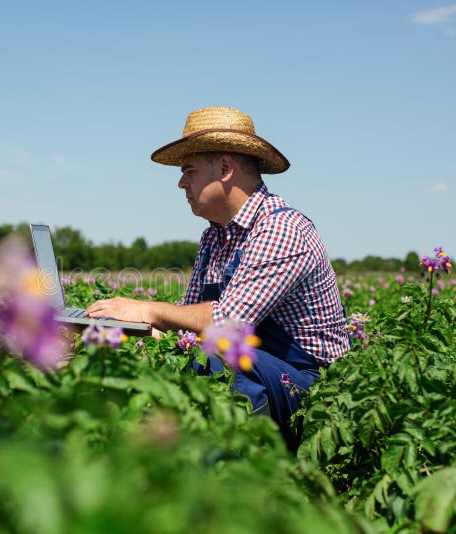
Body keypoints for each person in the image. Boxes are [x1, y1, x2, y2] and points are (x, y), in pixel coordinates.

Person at [86, 106, 349, 446]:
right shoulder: (215, 236)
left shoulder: (280, 228)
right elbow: (190, 329)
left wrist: (146, 310)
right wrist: (126, 333)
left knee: (222, 359)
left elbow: (228, 324)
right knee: (173, 355)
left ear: (225, 168)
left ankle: (238, 474)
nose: (181, 183)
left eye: (189, 171)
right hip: (262, 368)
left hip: (309, 389)